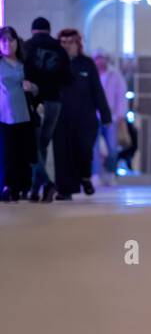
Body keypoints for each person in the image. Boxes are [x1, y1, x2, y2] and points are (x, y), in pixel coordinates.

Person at [53, 29, 112, 199]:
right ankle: (65, 190)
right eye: (63, 42)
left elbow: (97, 91)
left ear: (77, 43)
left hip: (86, 119)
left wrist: (105, 115)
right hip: (63, 118)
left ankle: (85, 177)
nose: (66, 46)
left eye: (70, 42)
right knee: (64, 155)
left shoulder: (87, 64)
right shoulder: (56, 63)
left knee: (84, 151)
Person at [23, 16, 72, 202]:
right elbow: (68, 79)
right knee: (42, 144)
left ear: (33, 30)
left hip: (34, 101)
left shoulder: (27, 46)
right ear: (49, 30)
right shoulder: (59, 49)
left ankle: (44, 184)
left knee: (33, 145)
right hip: (54, 101)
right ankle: (37, 189)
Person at [0, 26, 39, 201]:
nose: (7, 44)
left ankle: (23, 186)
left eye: (10, 40)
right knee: (7, 154)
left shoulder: (25, 65)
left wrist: (31, 87)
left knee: (24, 153)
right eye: (3, 40)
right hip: (4, 117)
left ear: (17, 42)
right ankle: (8, 187)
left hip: (24, 115)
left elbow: (38, 89)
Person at [92, 50, 127, 181]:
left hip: (111, 118)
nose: (100, 61)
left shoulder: (115, 75)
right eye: (97, 59)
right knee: (94, 149)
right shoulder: (92, 74)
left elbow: (121, 96)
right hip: (94, 117)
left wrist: (120, 115)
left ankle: (111, 173)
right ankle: (95, 174)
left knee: (112, 148)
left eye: (102, 58)